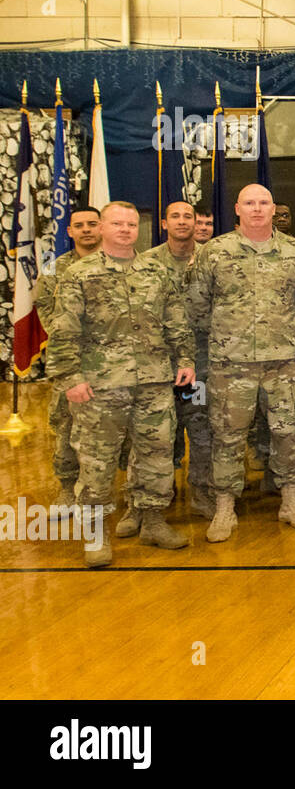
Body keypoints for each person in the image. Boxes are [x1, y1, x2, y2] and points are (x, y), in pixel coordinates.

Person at [45, 202, 196, 567]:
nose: (126, 229)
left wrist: (186, 359)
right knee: (97, 462)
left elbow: (176, 319)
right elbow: (63, 332)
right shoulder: (79, 274)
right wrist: (70, 378)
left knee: (156, 455)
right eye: (117, 223)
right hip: (100, 386)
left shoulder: (156, 272)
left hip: (153, 381)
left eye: (131, 224)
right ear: (101, 228)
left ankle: (153, 520)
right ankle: (96, 536)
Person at [188, 184, 295, 541]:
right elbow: (197, 305)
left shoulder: (294, 251)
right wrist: (230, 336)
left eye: (263, 203)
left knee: (288, 433)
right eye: (250, 203)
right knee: (227, 436)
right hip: (231, 365)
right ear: (237, 209)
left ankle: (291, 500)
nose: (257, 209)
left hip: (282, 362)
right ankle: (225, 507)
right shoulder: (215, 252)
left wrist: (283, 331)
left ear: (273, 209)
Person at [139, 201, 207, 532]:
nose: (182, 222)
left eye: (188, 217)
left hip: (202, 363)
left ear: (197, 222)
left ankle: (202, 493)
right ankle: (149, 502)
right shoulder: (146, 263)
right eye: (175, 217)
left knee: (201, 427)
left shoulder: (212, 257)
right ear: (164, 223)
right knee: (155, 435)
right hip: (157, 365)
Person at [34, 205, 101, 507]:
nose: (86, 229)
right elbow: (44, 307)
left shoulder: (120, 263)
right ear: (69, 231)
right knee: (67, 427)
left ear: (102, 228)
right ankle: (66, 485)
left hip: (111, 362)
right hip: (70, 362)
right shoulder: (54, 268)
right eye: (80, 225)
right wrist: (68, 337)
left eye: (92, 224)